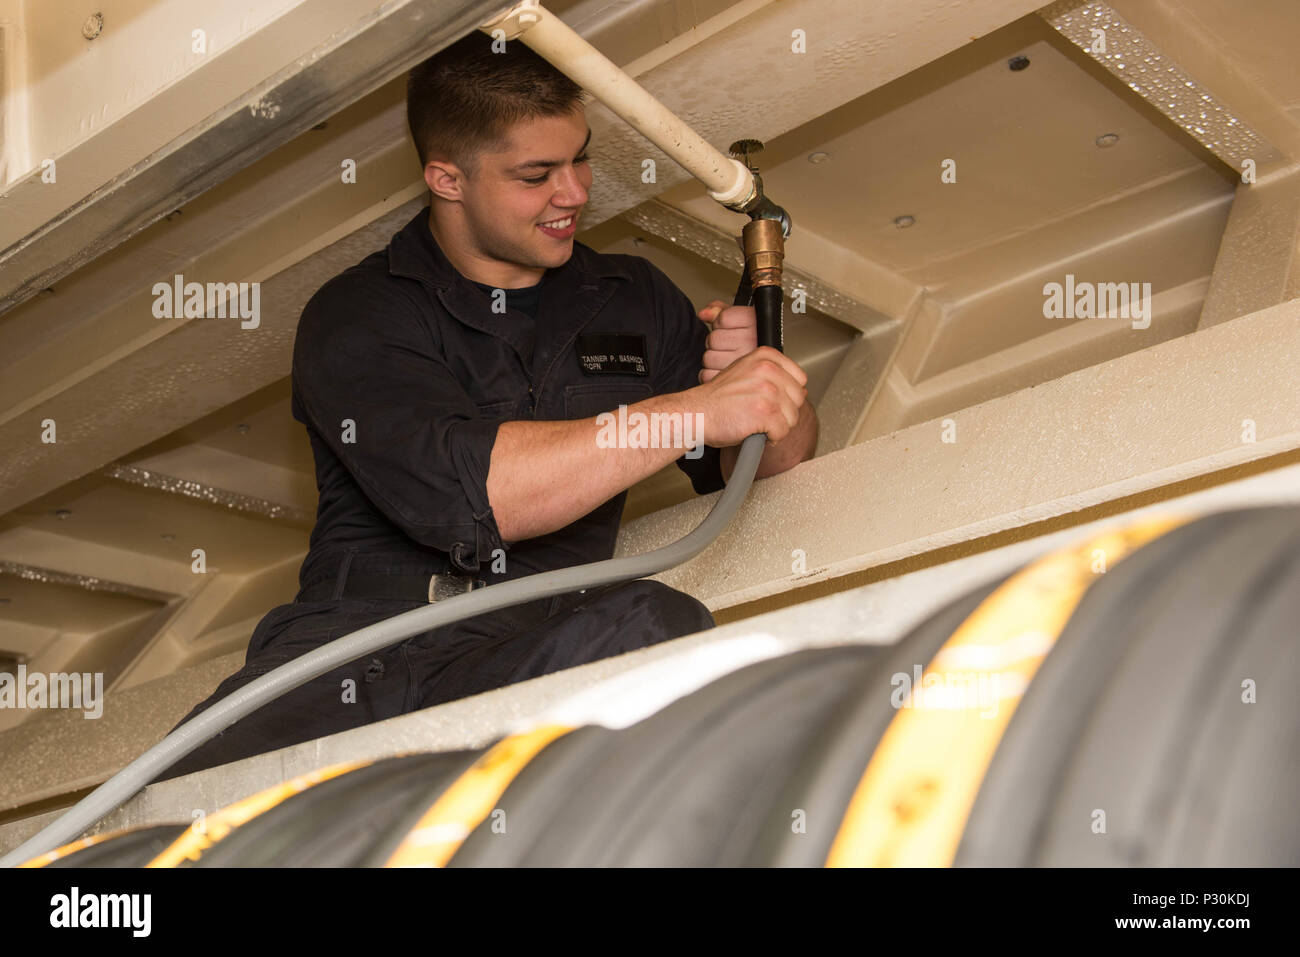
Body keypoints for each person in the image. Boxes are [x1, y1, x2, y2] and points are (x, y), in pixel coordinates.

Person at [153, 31, 816, 782]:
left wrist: (759, 387)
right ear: (447, 177)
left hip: (533, 644)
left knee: (656, 624)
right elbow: (478, 497)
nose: (574, 192)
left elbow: (772, 468)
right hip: (357, 656)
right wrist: (695, 410)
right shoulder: (359, 314)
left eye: (581, 158)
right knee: (138, 837)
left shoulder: (635, 299)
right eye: (537, 174)